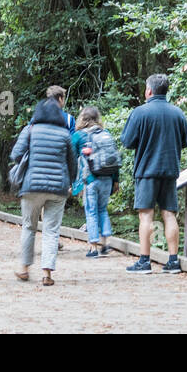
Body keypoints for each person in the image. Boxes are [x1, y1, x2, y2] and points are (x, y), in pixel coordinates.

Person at [120, 73, 187, 274]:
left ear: (149, 91)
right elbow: (184, 141)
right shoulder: (178, 113)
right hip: (170, 171)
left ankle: (144, 260)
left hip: (146, 170)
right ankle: (173, 261)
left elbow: (127, 141)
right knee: (169, 214)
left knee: (146, 216)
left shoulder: (140, 113)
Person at [11, 99, 78, 286]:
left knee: (29, 227)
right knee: (51, 231)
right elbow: (72, 163)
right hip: (58, 188)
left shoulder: (30, 130)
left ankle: (24, 269)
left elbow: (16, 154)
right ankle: (47, 274)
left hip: (32, 186)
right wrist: (71, 182)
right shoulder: (65, 134)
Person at [72, 106, 120, 258]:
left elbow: (71, 158)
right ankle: (106, 243)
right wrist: (116, 180)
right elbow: (114, 158)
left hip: (91, 179)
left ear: (82, 118)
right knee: (102, 209)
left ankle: (93, 247)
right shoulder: (105, 134)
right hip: (107, 178)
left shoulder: (78, 136)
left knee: (91, 211)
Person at [46, 85, 76, 251]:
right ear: (60, 99)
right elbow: (71, 146)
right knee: (56, 203)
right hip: (61, 167)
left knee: (45, 202)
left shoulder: (38, 116)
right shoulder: (69, 119)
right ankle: (53, 237)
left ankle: (50, 236)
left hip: (41, 166)